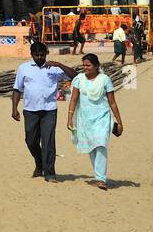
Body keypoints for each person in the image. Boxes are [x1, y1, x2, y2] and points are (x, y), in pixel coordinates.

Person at [11, 41, 78, 182]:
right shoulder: (23, 68)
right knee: (30, 141)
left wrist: (59, 65)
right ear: (31, 54)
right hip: (30, 110)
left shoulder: (53, 69)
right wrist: (14, 108)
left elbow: (75, 76)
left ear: (46, 54)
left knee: (48, 141)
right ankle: (39, 163)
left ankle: (50, 173)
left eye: (42, 55)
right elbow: (17, 89)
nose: (40, 57)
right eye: (37, 55)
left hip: (49, 110)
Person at [66, 53, 124, 191]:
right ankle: (98, 175)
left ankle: (101, 178)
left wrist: (119, 121)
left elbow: (112, 102)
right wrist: (69, 117)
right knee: (92, 147)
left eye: (88, 65)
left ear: (96, 66)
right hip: (85, 118)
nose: (85, 68)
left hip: (102, 118)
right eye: (84, 65)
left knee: (101, 144)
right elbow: (73, 99)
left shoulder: (105, 80)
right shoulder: (79, 79)